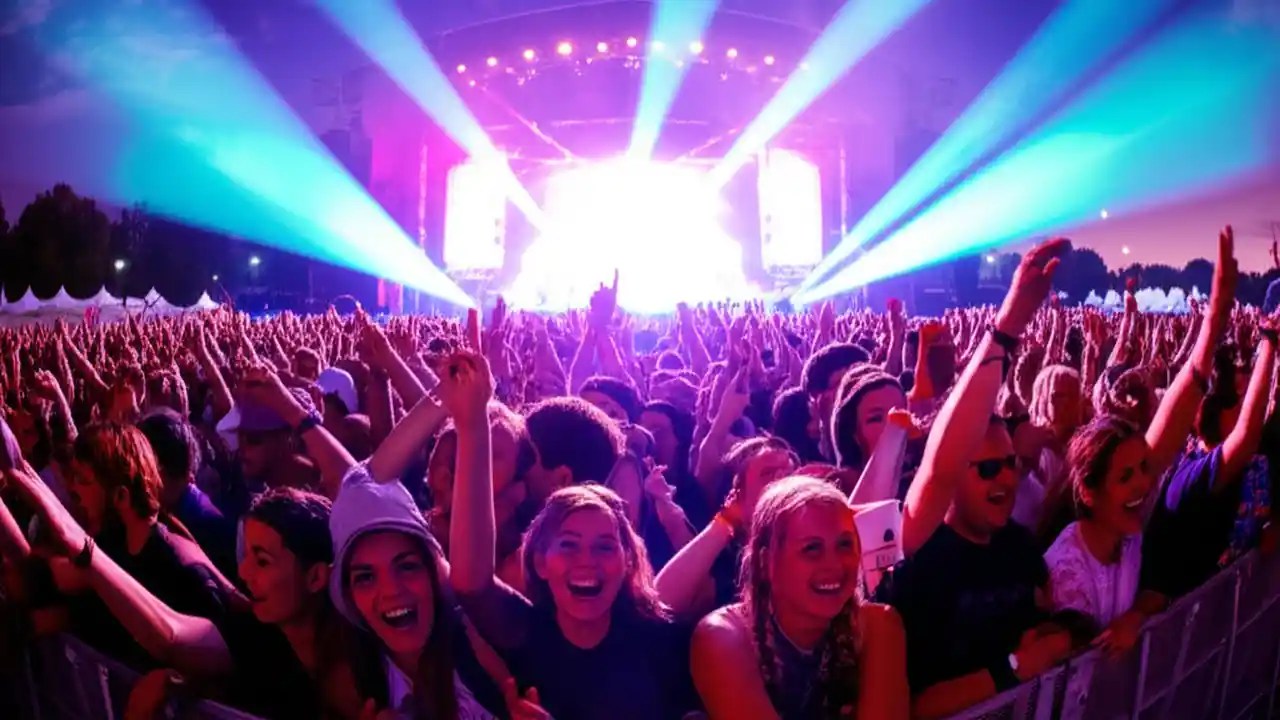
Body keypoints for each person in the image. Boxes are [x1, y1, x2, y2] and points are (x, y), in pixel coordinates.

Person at [444, 321, 698, 720]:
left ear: (629, 560)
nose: (587, 560)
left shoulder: (663, 642)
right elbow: (470, 581)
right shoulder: (526, 632)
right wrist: (473, 422)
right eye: (568, 544)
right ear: (540, 561)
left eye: (604, 546)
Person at [691, 476, 908, 720]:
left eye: (845, 545)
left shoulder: (878, 626)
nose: (835, 565)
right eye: (812, 548)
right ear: (766, 562)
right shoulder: (723, 636)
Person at [328, 464, 506, 718]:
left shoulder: (485, 643)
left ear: (434, 572)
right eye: (365, 577)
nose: (391, 590)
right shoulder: (350, 685)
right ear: (349, 596)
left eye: (407, 567)